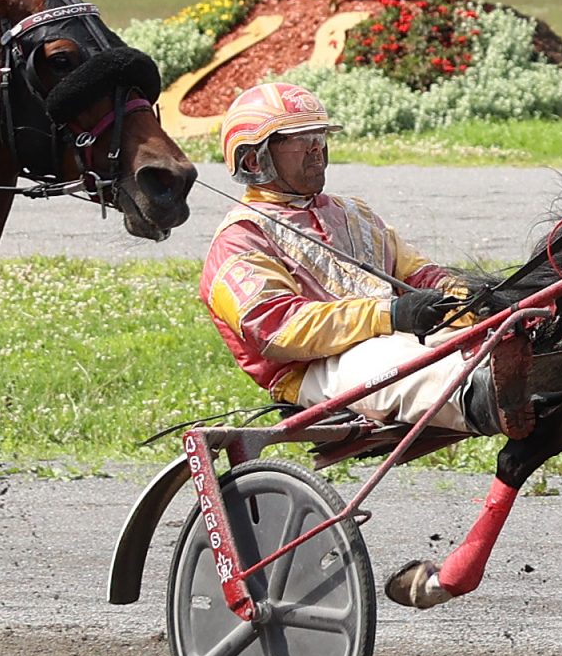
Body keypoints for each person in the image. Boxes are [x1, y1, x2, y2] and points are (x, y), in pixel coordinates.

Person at [200, 82, 505, 434]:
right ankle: (484, 397)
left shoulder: (352, 211)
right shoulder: (238, 240)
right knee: (410, 365)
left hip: (393, 340)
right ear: (255, 159)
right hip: (315, 370)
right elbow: (279, 331)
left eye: (320, 135)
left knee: (509, 332)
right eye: (300, 139)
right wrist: (388, 315)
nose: (317, 148)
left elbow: (416, 274)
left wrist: (469, 299)